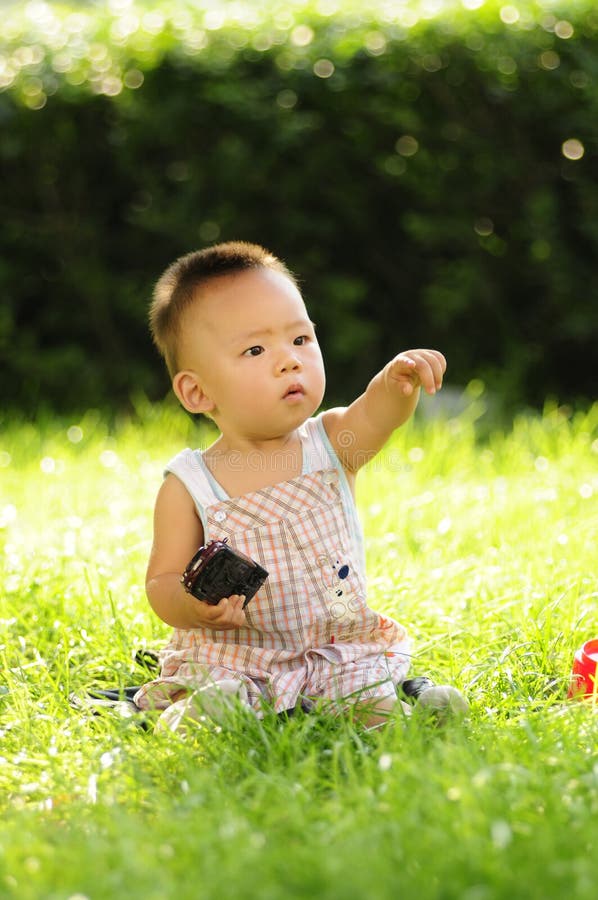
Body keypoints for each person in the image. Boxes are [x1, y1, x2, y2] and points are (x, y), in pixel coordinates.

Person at [134, 241, 468, 730]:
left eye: (300, 340)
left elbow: (374, 416)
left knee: (372, 706)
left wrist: (396, 383)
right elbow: (161, 581)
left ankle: (411, 716)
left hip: (335, 652)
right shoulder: (190, 485)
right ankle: (201, 716)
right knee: (225, 698)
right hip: (238, 655)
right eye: (255, 349)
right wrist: (192, 609)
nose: (289, 361)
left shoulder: (331, 443)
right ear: (197, 391)